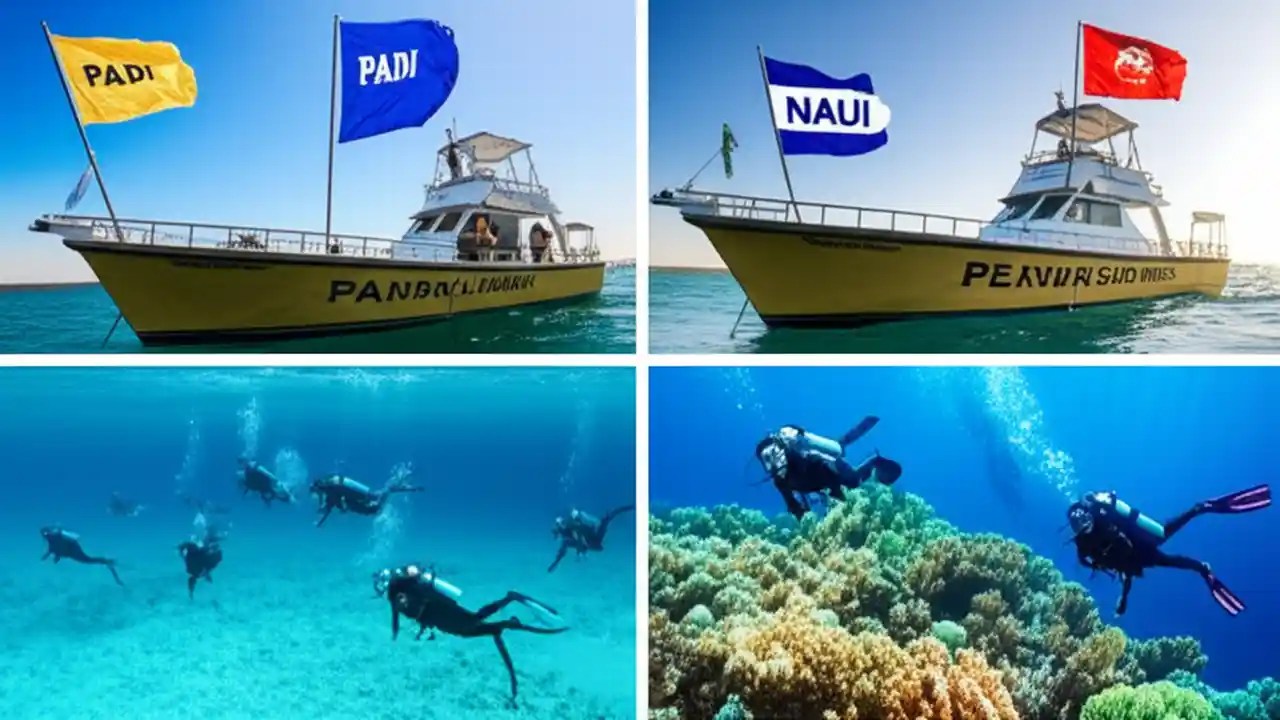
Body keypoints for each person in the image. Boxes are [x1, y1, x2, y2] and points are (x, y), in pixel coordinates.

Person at [373, 563, 567, 707]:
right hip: (443, 615)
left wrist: (398, 636)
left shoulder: (399, 594)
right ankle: (513, 614)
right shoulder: (399, 595)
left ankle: (512, 603)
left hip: (444, 613)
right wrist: (402, 635)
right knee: (478, 625)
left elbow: (403, 614)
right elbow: (399, 621)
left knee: (475, 623)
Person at [1068, 485, 1271, 616]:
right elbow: (1123, 570)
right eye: (1079, 526)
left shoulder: (1103, 518)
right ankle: (1202, 568)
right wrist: (1124, 599)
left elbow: (1124, 568)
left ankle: (1201, 507)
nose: (1085, 526)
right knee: (1172, 561)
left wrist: (1124, 598)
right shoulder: (1086, 547)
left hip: (1143, 540)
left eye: (1085, 520)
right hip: (1139, 558)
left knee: (1166, 532)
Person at [755, 417, 902, 520]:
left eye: (773, 455)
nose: (771, 463)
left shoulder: (803, 459)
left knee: (853, 482)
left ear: (781, 451)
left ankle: (875, 461)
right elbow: (793, 505)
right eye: (766, 460)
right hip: (816, 482)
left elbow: (827, 469)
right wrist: (804, 517)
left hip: (831, 466)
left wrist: (837, 495)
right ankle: (839, 443)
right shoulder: (779, 481)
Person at [310, 474, 424, 527]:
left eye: (316, 492)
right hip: (355, 496)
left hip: (355, 496)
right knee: (374, 501)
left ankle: (392, 487)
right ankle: (396, 485)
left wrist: (321, 520)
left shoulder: (329, 491)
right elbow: (329, 507)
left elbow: (329, 507)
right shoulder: (329, 491)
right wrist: (320, 521)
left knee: (375, 507)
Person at [548, 505, 635, 572]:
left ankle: (631, 507)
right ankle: (630, 507)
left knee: (607, 518)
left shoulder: (570, 529)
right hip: (592, 542)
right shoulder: (567, 536)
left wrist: (580, 552)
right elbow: (565, 548)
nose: (557, 537)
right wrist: (556, 562)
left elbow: (579, 536)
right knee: (607, 519)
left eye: (557, 534)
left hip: (594, 539)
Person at [40, 526, 124, 586]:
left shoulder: (55, 537)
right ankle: (107, 561)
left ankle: (107, 561)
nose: (45, 536)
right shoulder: (53, 540)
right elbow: (53, 550)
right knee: (88, 560)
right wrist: (50, 556)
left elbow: (55, 549)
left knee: (88, 560)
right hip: (71, 551)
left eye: (45, 535)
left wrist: (52, 556)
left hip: (72, 551)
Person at [178, 516, 227, 599]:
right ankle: (192, 592)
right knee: (207, 546)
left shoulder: (198, 568)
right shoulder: (201, 565)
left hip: (198, 557)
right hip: (198, 557)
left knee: (201, 568)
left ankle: (212, 527)